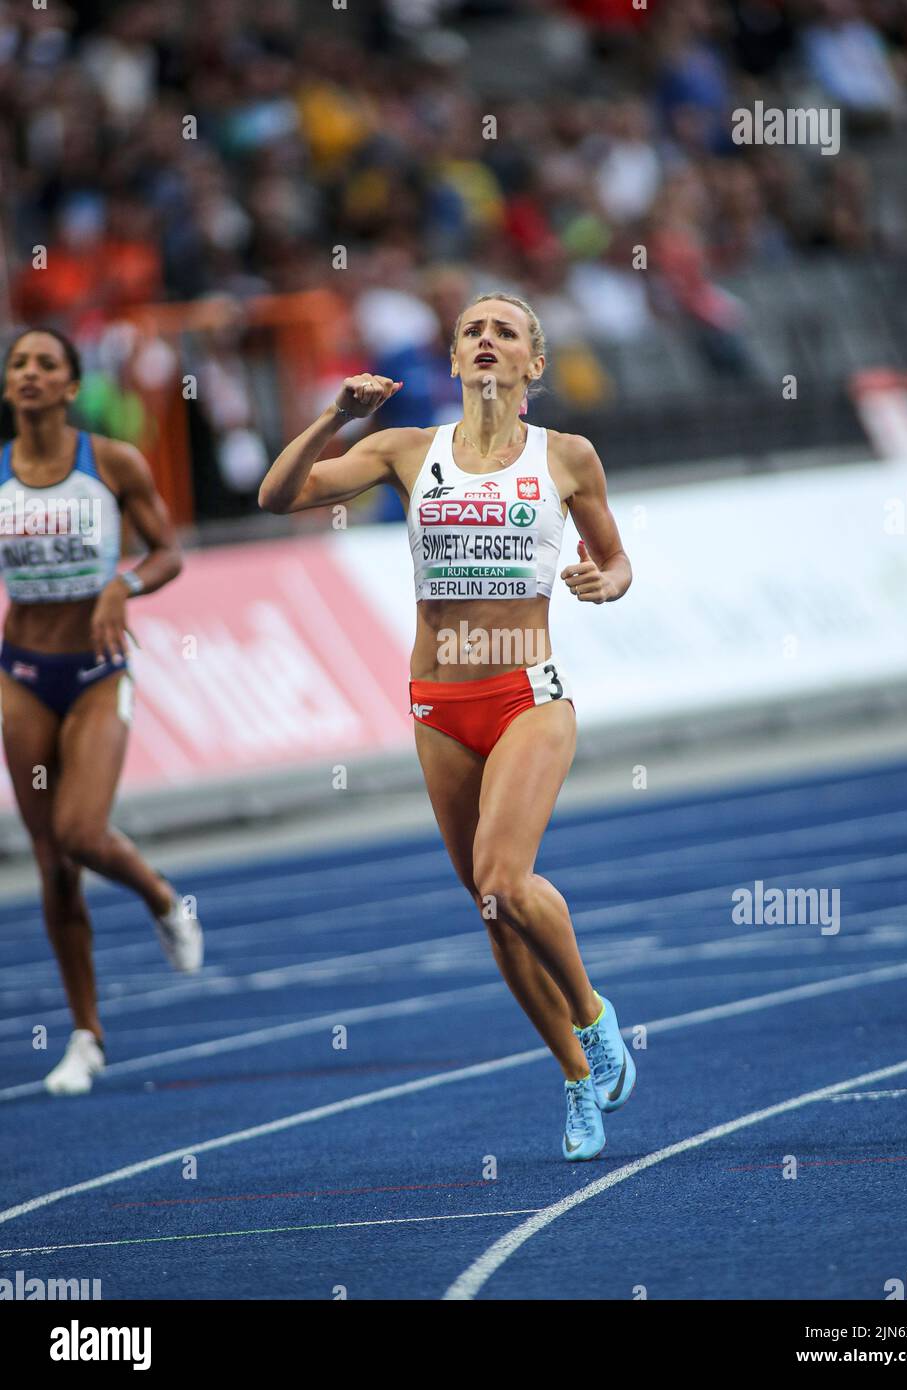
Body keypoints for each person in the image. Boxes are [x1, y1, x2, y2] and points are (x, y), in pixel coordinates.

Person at [259, 292, 635, 1160]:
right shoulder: (403, 450)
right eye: (473, 331)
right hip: (437, 705)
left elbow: (613, 559)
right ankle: (576, 1080)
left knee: (505, 874)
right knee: (492, 908)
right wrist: (333, 417)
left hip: (525, 696)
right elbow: (278, 496)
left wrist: (605, 583)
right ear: (455, 359)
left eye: (505, 331)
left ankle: (594, 1018)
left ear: (534, 364)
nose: (488, 341)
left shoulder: (567, 456)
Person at [0, 328, 204, 1096]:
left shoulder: (111, 462)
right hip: (21, 673)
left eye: (45, 364)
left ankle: (159, 896)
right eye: (18, 364)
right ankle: (85, 1034)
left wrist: (124, 585)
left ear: (70, 385)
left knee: (81, 832)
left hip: (94, 671)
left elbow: (168, 553)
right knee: (52, 865)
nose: (28, 373)